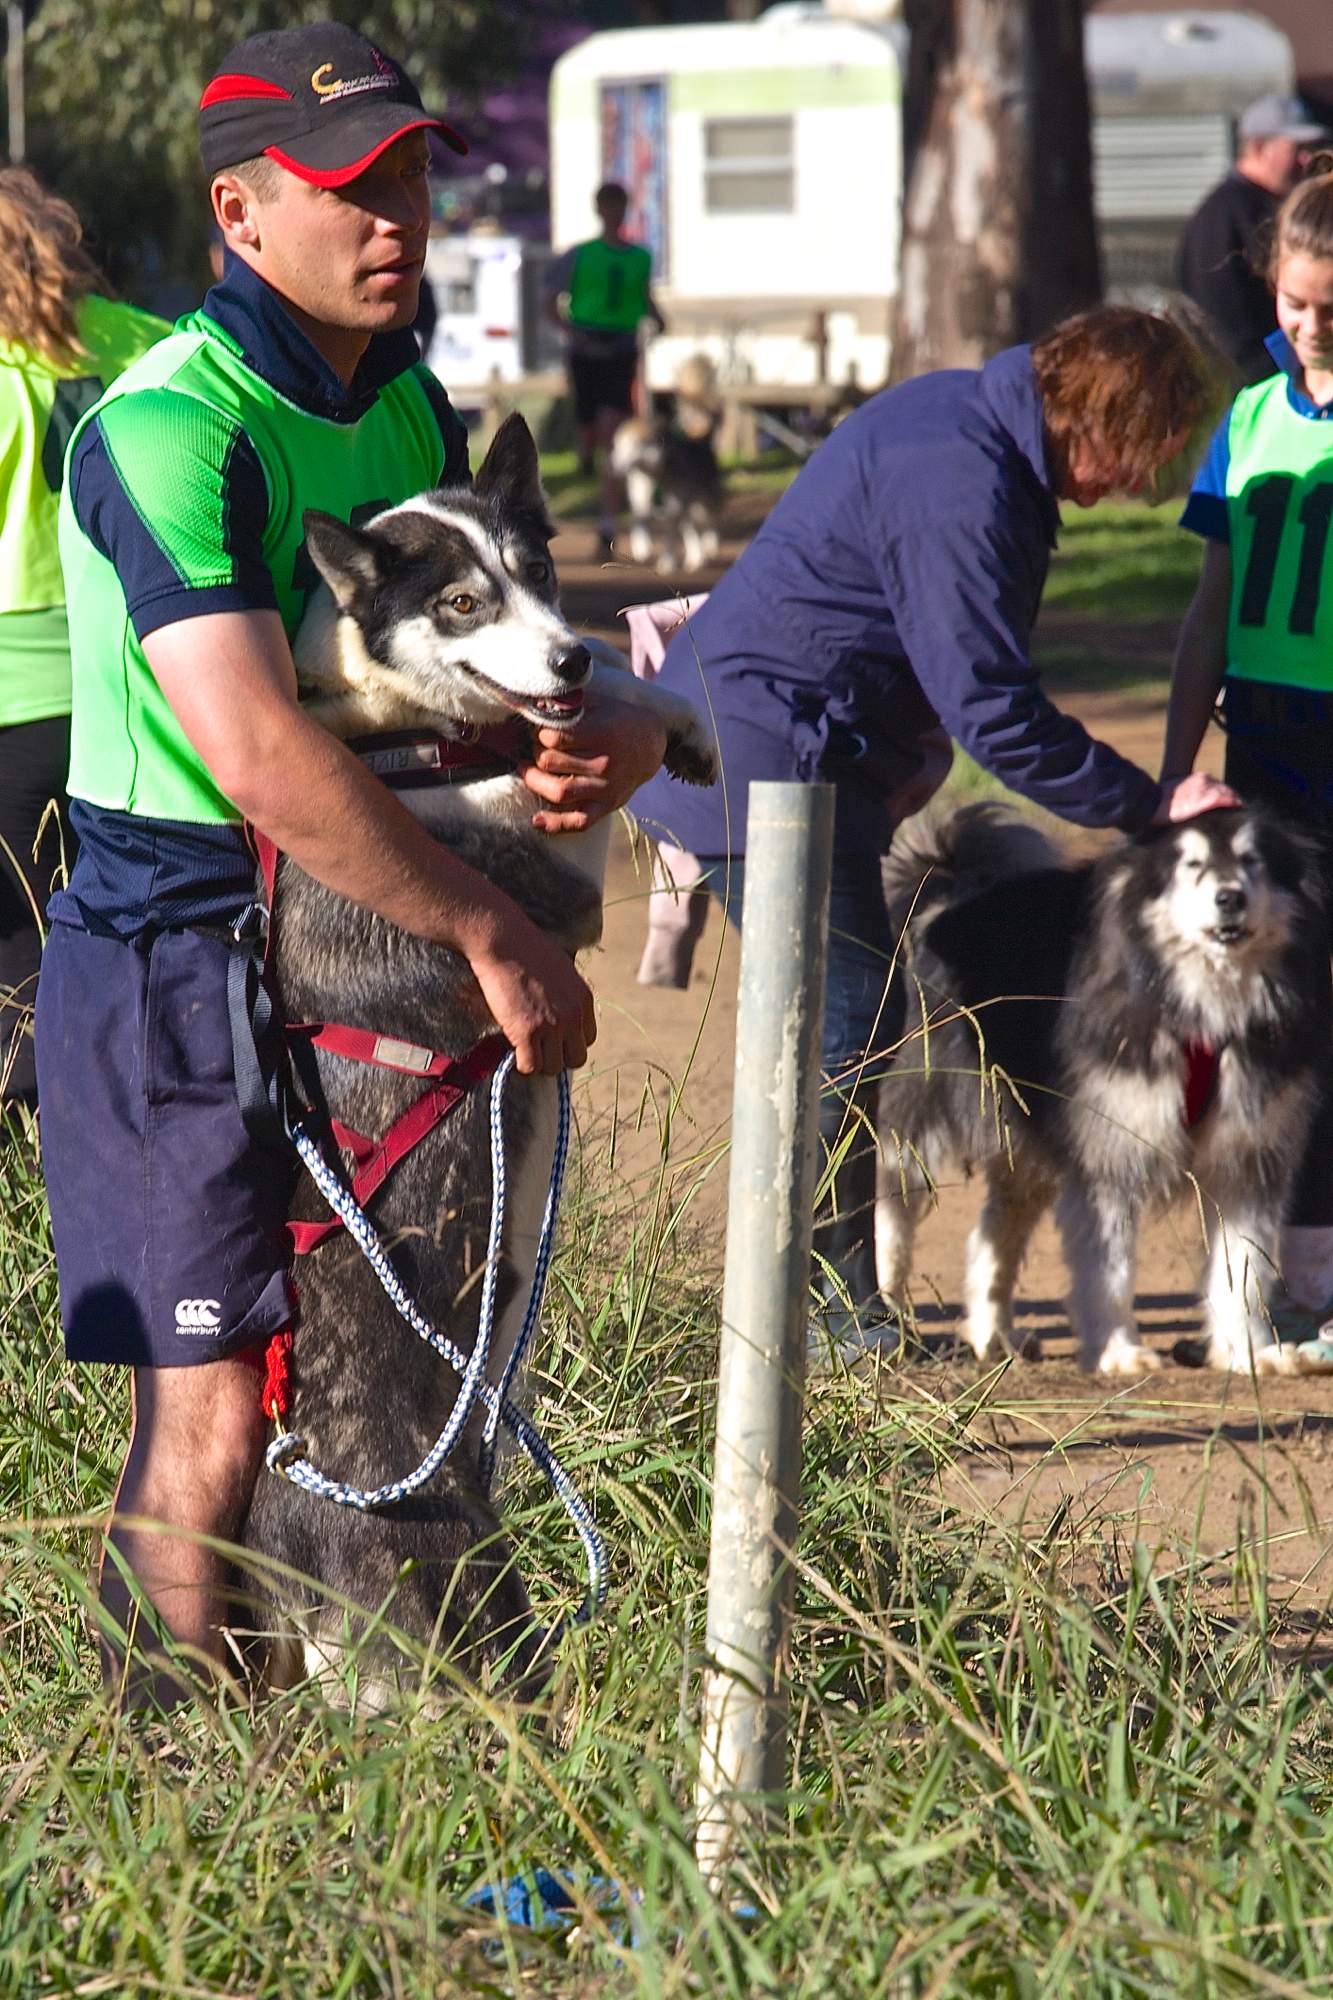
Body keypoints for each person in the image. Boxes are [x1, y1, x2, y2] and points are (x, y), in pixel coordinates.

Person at [34, 21, 669, 1697]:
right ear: (240, 215)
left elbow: (447, 687)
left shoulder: (409, 405)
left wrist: (614, 733)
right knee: (206, 1409)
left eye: (407, 175)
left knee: (394, 1350)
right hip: (176, 947)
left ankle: (349, 1751)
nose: (393, 216)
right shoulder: (169, 428)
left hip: (357, 921)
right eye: (346, 187)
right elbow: (253, 744)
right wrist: (489, 930)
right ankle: (173, 1804)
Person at [633, 306, 1235, 1344]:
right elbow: (991, 704)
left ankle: (825, 1295)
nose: (1135, 485)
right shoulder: (964, 474)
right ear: (1093, 416)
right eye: (1139, 456)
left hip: (796, 759)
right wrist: (1147, 804)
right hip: (757, 761)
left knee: (848, 1015)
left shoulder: (972, 430)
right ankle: (820, 1303)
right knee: (846, 1015)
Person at [1164, 161, 1333, 1351]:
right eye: (1293, 304)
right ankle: (1272, 1273)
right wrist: (1173, 765)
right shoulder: (1247, 418)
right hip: (1263, 752)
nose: (1311, 327)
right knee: (1264, 1022)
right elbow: (1209, 605)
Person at [0, 170, 166, 1116]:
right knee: (119, 935)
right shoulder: (145, 344)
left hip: (12, 704)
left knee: (17, 957)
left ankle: (36, 1186)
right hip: (137, 690)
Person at [543, 181, 666, 553]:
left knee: (613, 433)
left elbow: (646, 300)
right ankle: (584, 451)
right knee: (589, 431)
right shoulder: (580, 255)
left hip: (621, 349)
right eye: (608, 207)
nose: (614, 214)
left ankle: (607, 523)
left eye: (619, 207)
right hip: (586, 347)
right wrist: (569, 332)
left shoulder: (639, 257)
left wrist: (658, 321)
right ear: (599, 211)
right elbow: (549, 301)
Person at [1175, 94, 1328, 386]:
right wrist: (1269, 381)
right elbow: (1225, 322)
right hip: (1245, 383)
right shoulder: (1225, 214)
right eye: (1297, 148)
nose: (1306, 159)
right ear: (1259, 147)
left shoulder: (1269, 205)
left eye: (1311, 149)